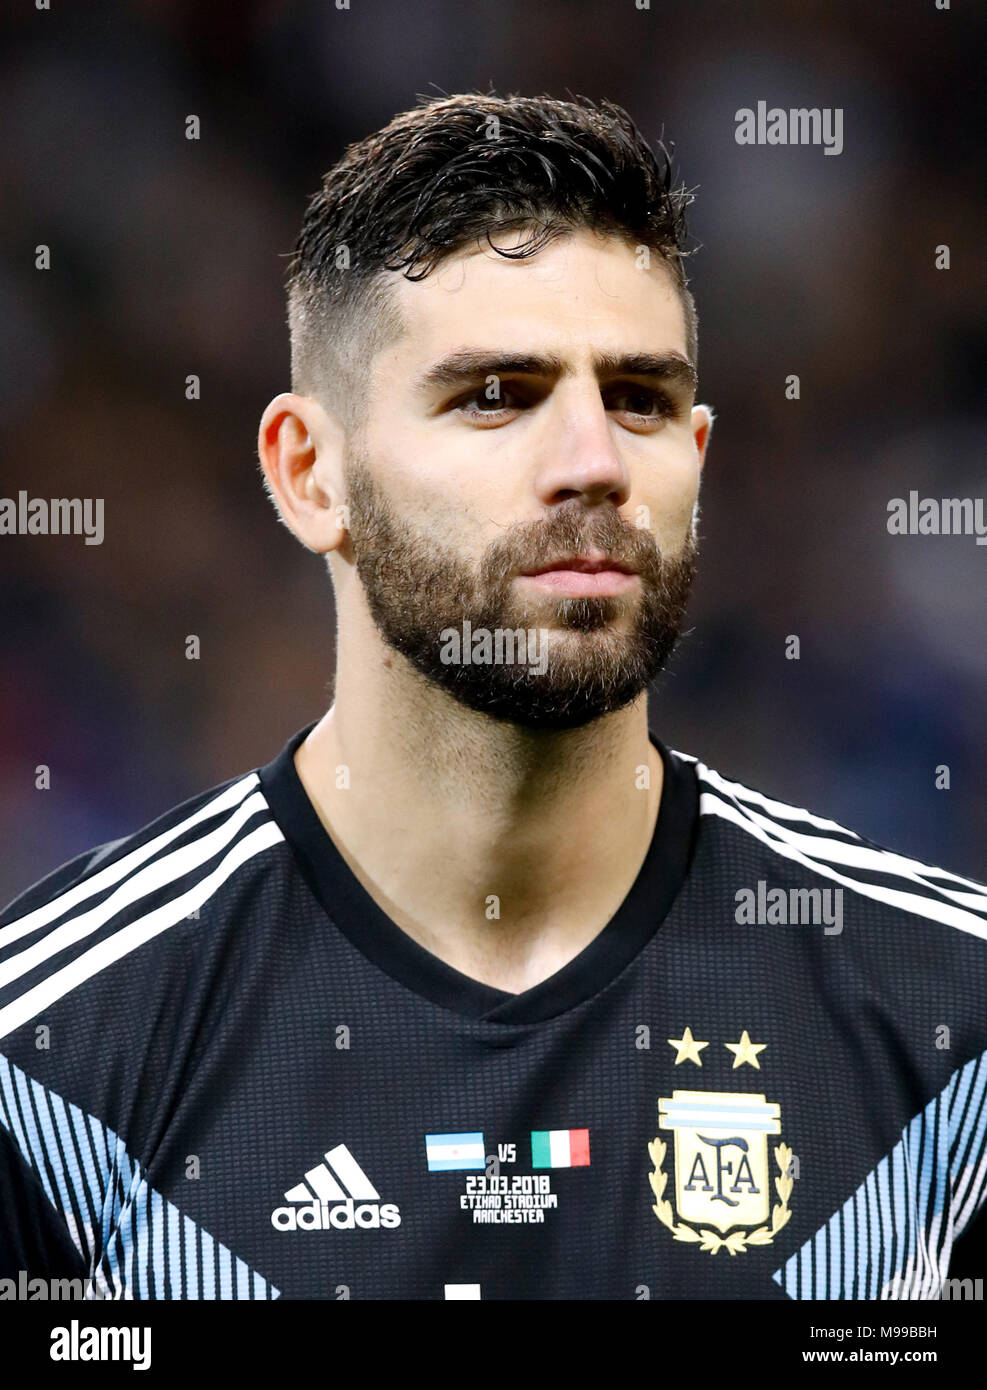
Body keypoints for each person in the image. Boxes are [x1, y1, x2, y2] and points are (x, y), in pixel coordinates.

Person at [1, 93, 985, 1302]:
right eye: (496, 395)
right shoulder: (49, 1062)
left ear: (697, 461)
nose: (594, 464)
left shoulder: (952, 1028)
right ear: (311, 475)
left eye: (640, 399)